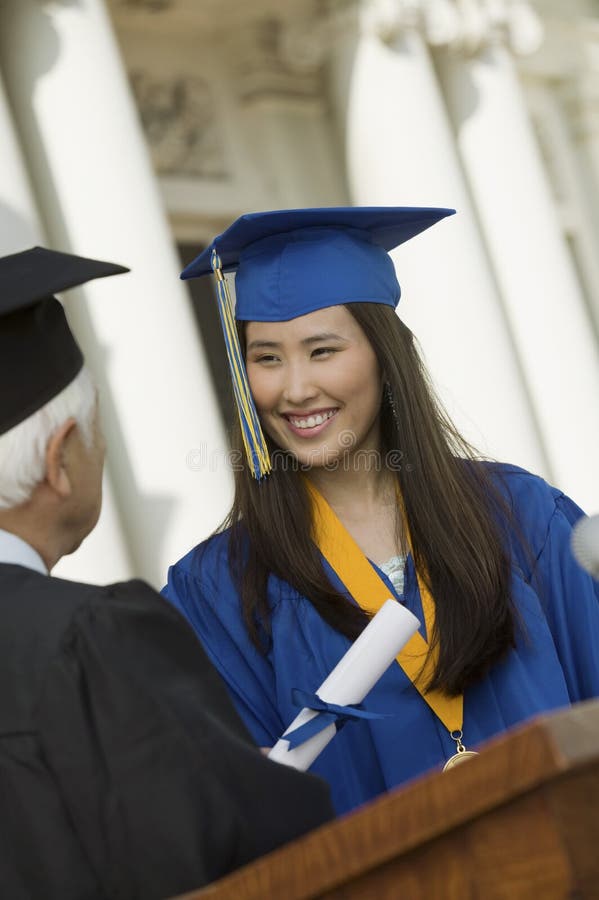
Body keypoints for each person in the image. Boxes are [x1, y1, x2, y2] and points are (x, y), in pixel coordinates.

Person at [163, 207, 599, 816]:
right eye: (266, 358)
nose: (294, 389)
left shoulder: (525, 518)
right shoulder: (216, 592)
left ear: (384, 356)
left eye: (322, 350)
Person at [0, 246, 333, 900]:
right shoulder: (90, 640)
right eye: (96, 433)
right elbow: (226, 861)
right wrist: (242, 786)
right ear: (60, 458)